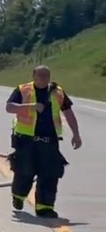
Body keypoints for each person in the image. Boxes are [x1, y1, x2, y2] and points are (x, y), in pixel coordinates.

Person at [5, 65, 83, 219]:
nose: (43, 79)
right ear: (33, 76)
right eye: (40, 76)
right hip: (26, 140)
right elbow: (9, 107)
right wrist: (31, 106)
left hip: (49, 140)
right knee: (24, 172)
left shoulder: (58, 92)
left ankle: (45, 207)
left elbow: (68, 112)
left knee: (50, 174)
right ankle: (18, 196)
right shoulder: (23, 89)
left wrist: (76, 134)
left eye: (46, 76)